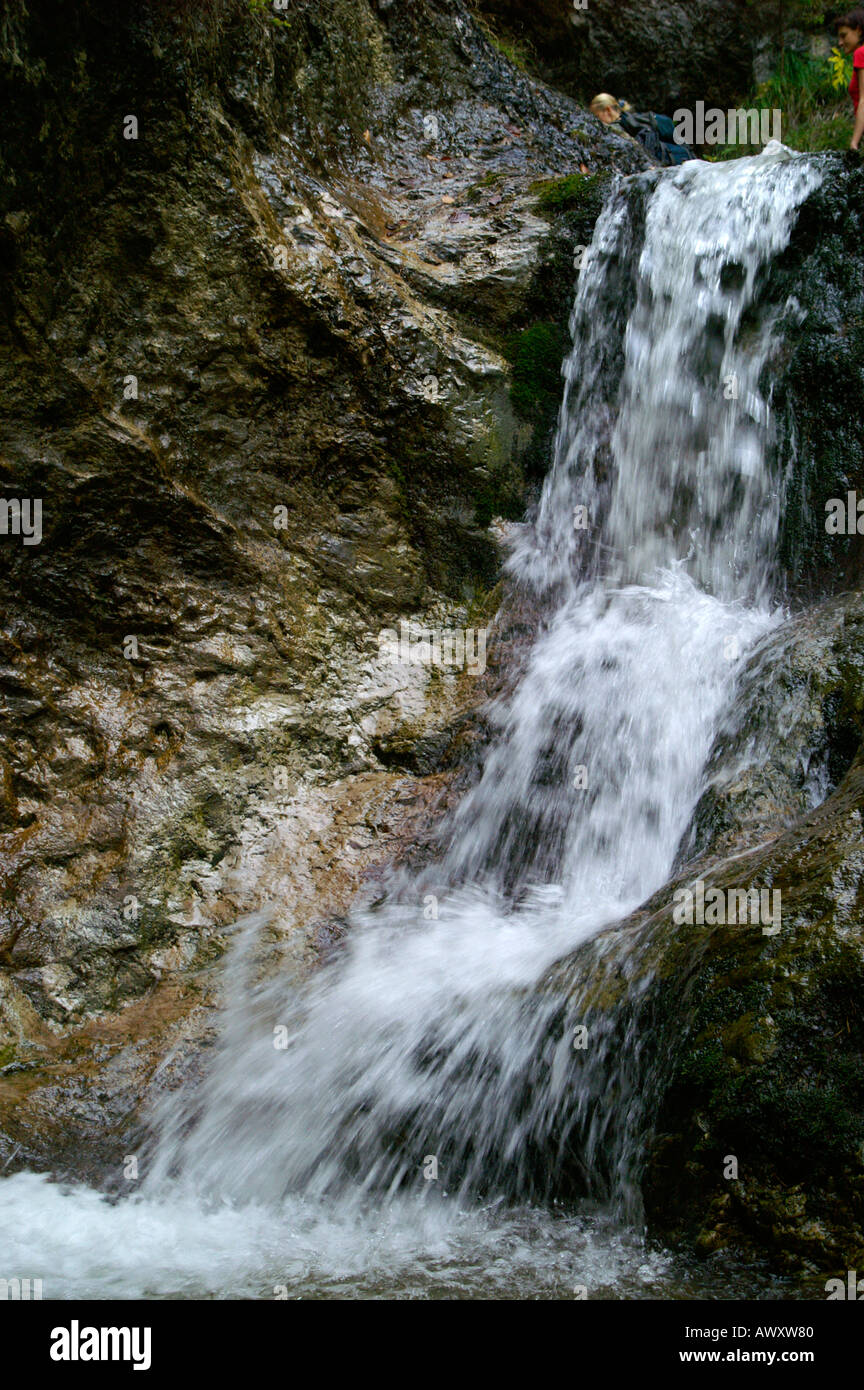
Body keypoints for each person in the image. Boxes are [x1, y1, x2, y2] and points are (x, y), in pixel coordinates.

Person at [589, 94, 695, 166]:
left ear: (607, 110)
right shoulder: (632, 121)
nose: (596, 122)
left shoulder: (627, 125)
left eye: (597, 116)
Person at [836, 9, 864, 155]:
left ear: (858, 30)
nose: (840, 42)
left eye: (844, 36)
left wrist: (854, 142)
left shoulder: (861, 53)